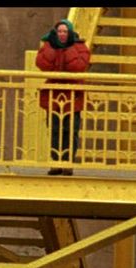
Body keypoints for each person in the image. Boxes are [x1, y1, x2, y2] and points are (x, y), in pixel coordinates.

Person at [36, 19, 91, 175]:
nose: (62, 34)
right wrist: (52, 48)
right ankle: (55, 162)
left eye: (65, 32)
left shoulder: (80, 47)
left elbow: (78, 67)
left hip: (73, 97)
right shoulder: (48, 45)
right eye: (59, 31)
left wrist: (68, 48)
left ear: (70, 33)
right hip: (54, 97)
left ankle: (68, 163)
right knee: (54, 130)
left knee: (71, 131)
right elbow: (42, 64)